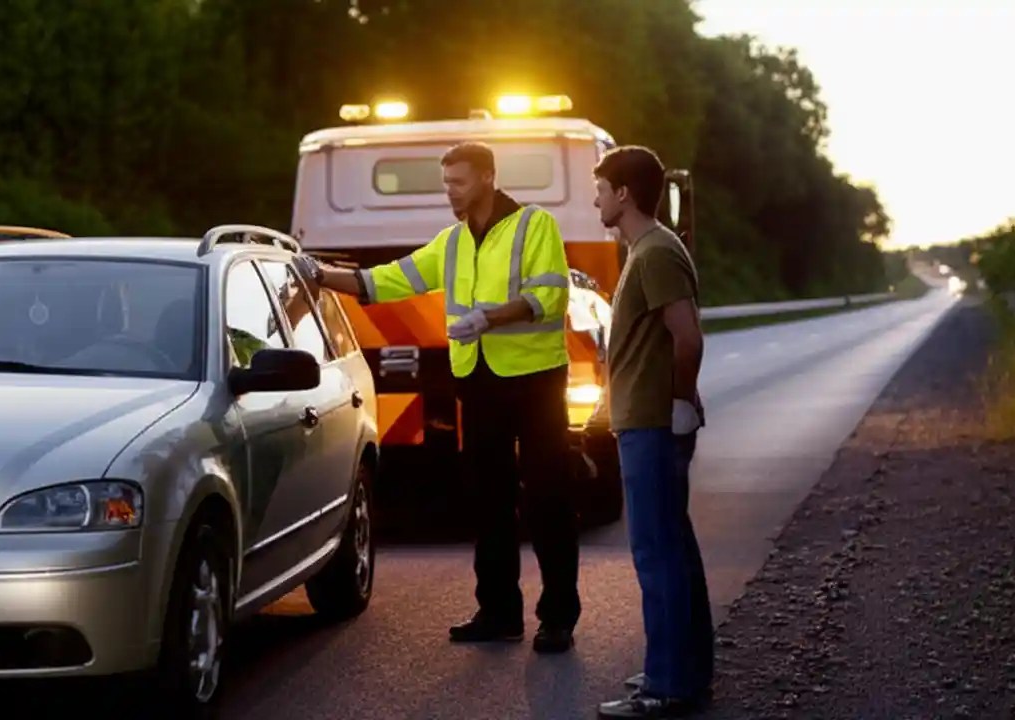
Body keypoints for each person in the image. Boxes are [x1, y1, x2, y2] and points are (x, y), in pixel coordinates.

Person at [293, 141, 581, 653]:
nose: (450, 191)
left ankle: (557, 617)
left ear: (489, 178)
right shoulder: (451, 243)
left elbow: (550, 296)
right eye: (446, 182)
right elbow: (386, 280)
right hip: (480, 380)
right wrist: (322, 276)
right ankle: (498, 612)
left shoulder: (534, 226)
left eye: (460, 182)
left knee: (548, 499)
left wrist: (488, 317)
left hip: (535, 380)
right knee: (489, 500)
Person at [591, 146, 713, 718]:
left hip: (654, 424)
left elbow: (686, 337)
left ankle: (667, 686)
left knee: (657, 553)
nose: (595, 197)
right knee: (675, 549)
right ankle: (685, 671)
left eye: (601, 188)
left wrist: (679, 402)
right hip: (642, 418)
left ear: (624, 194)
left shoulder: (657, 251)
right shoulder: (645, 249)